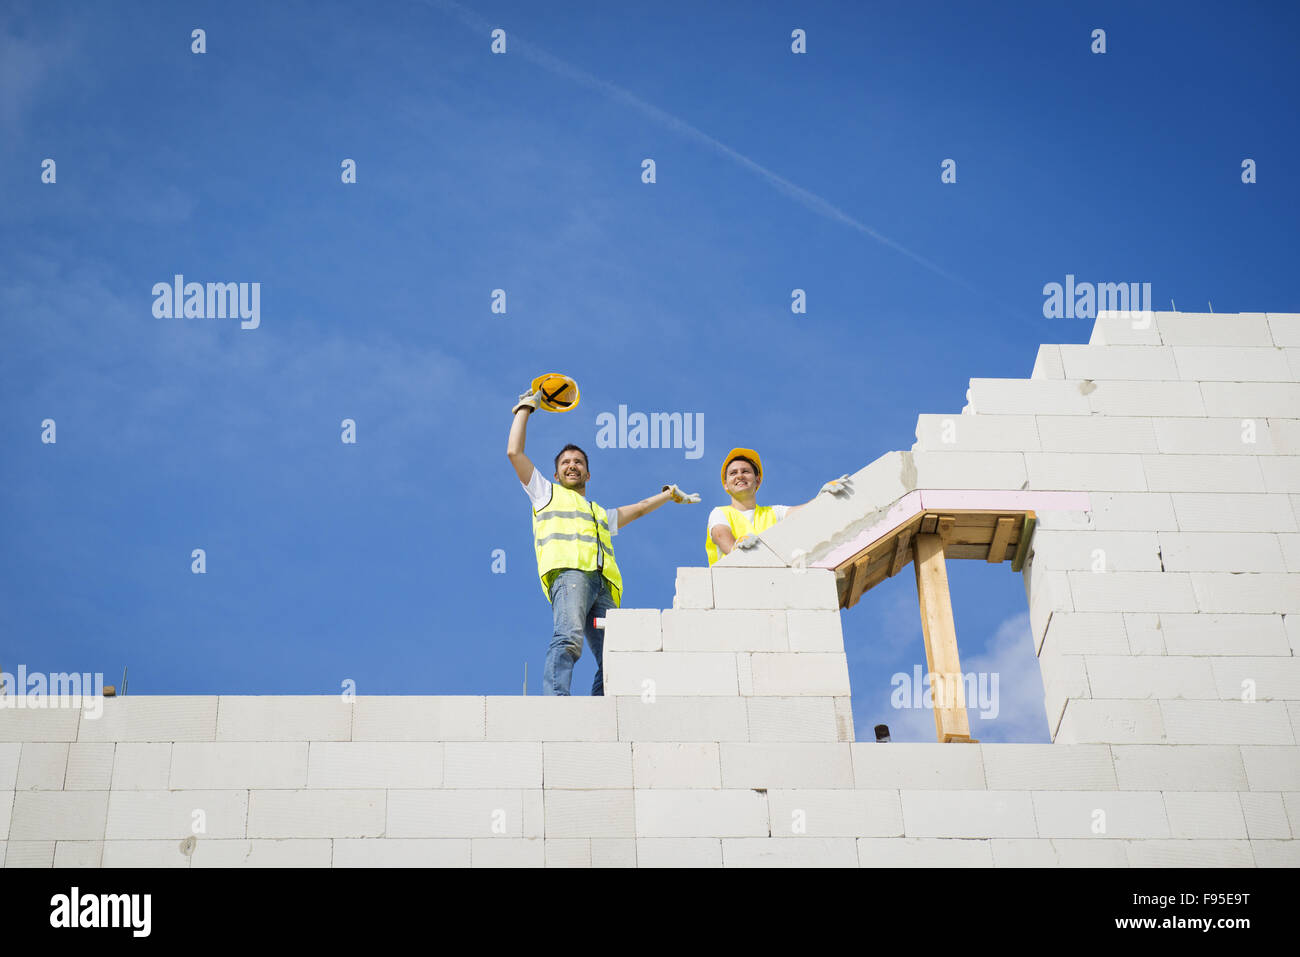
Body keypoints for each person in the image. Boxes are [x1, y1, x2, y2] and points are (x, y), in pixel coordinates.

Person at [508, 387, 698, 695]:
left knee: (613, 654)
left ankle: (601, 708)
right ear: (556, 474)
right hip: (570, 577)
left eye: (579, 462)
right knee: (568, 637)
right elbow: (514, 453)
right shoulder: (546, 494)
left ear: (588, 474)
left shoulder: (597, 513)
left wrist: (667, 495)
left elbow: (635, 510)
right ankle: (557, 702)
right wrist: (524, 410)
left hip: (604, 588)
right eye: (566, 462)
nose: (572, 465)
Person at [706, 447, 850, 565]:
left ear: (757, 479)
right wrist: (735, 549)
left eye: (745, 471)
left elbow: (803, 513)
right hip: (731, 585)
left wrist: (821, 498)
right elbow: (720, 535)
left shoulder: (774, 513)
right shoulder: (720, 513)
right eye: (733, 473)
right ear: (726, 485)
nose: (739, 476)